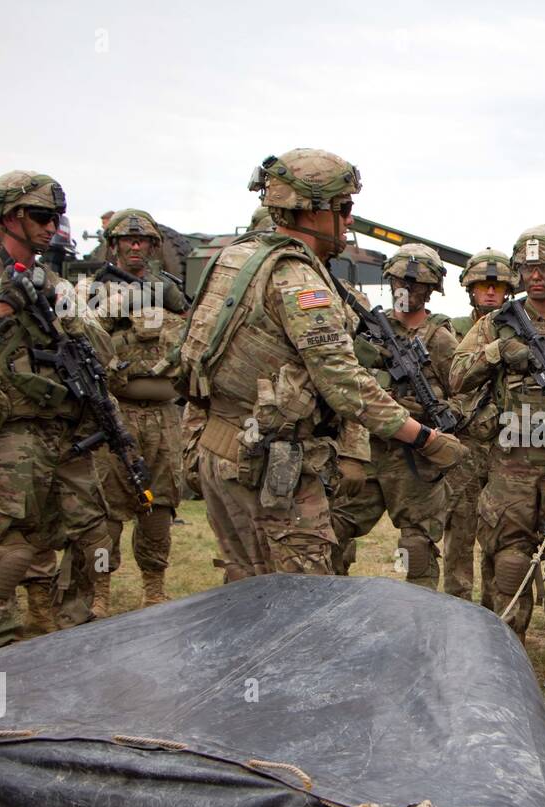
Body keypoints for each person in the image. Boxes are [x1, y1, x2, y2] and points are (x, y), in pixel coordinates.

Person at [175, 149, 462, 581]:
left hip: (223, 451)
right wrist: (422, 437)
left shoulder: (234, 259)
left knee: (246, 588)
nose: (349, 220)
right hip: (271, 464)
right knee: (302, 603)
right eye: (344, 209)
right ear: (312, 210)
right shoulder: (298, 278)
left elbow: (192, 359)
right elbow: (343, 383)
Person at [0, 171, 115, 650]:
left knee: (93, 534)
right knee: (8, 544)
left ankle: (70, 623)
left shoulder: (52, 281)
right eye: (39, 216)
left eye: (55, 218)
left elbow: (102, 349)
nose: (50, 226)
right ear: (10, 218)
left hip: (63, 429)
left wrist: (66, 314)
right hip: (5, 435)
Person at [450, 225, 545, 696]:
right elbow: (456, 377)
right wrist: (499, 351)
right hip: (511, 466)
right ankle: (511, 660)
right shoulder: (494, 324)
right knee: (510, 561)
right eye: (529, 268)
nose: (536, 276)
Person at [329, 243, 460, 589]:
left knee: (416, 547)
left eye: (417, 285)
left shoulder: (441, 340)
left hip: (415, 457)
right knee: (332, 531)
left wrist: (428, 414)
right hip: (366, 450)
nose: (407, 290)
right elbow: (339, 380)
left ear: (432, 290)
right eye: (400, 282)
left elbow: (466, 395)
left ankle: (419, 623)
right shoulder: (366, 330)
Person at [82, 208, 189, 613]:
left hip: (163, 414)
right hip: (116, 411)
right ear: (113, 246)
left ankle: (154, 588)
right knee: (108, 505)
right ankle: (100, 592)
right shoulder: (93, 290)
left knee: (159, 502)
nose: (135, 247)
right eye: (127, 241)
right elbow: (81, 339)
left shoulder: (168, 290)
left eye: (142, 241)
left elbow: (190, 333)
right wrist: (115, 307)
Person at [440, 248, 514, 606]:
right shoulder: (451, 332)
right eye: (483, 286)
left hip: (506, 446)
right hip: (465, 442)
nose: (490, 292)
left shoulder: (521, 330)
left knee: (499, 531)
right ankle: (456, 606)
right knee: (460, 528)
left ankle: (492, 609)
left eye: (497, 287)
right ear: (470, 289)